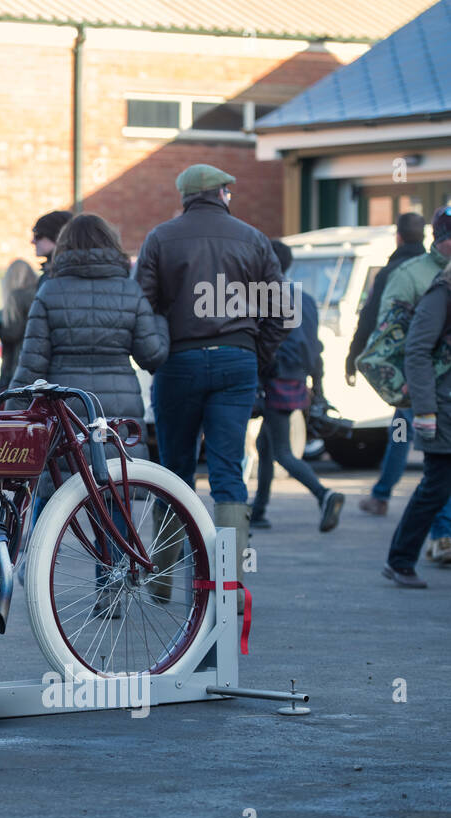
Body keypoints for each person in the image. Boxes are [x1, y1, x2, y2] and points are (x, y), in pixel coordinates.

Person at [135, 164, 290, 607]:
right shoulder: (254, 238)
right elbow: (281, 313)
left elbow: (141, 309)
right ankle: (229, 585)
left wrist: (157, 354)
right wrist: (254, 355)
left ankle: (163, 576)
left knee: (175, 470)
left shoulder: (160, 238)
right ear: (221, 193)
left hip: (179, 363)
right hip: (236, 361)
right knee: (227, 472)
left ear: (184, 195)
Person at [11, 214, 169, 612]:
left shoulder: (50, 290)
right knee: (112, 494)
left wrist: (9, 411)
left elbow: (32, 366)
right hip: (115, 409)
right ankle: (112, 584)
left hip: (68, 407)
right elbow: (152, 356)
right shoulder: (129, 292)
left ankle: (33, 574)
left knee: (50, 491)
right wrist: (163, 324)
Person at [249, 241, 344, 532]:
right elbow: (316, 349)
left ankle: (324, 495)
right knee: (265, 445)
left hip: (275, 379)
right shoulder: (306, 299)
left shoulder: (264, 297)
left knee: (281, 452)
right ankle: (260, 510)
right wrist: (319, 387)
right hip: (298, 380)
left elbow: (261, 342)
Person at [351, 213, 427, 516]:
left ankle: (383, 496)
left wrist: (354, 356)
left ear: (398, 236)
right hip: (433, 371)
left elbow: (369, 317)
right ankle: (382, 494)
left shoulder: (395, 271)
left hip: (408, 369)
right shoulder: (437, 270)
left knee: (405, 431)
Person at [384, 259, 451, 587]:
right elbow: (417, 351)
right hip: (442, 406)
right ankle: (400, 560)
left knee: (436, 486)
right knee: (436, 487)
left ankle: (400, 559)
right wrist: (426, 409)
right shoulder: (442, 293)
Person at [0, 258, 38, 398]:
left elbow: (12, 333)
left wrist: (0, 327)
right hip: (40, 362)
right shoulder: (41, 292)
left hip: (19, 363)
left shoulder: (17, 297)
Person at [32, 210, 73, 289]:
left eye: (38, 235)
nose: (33, 241)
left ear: (58, 236)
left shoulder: (64, 278)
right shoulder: (49, 274)